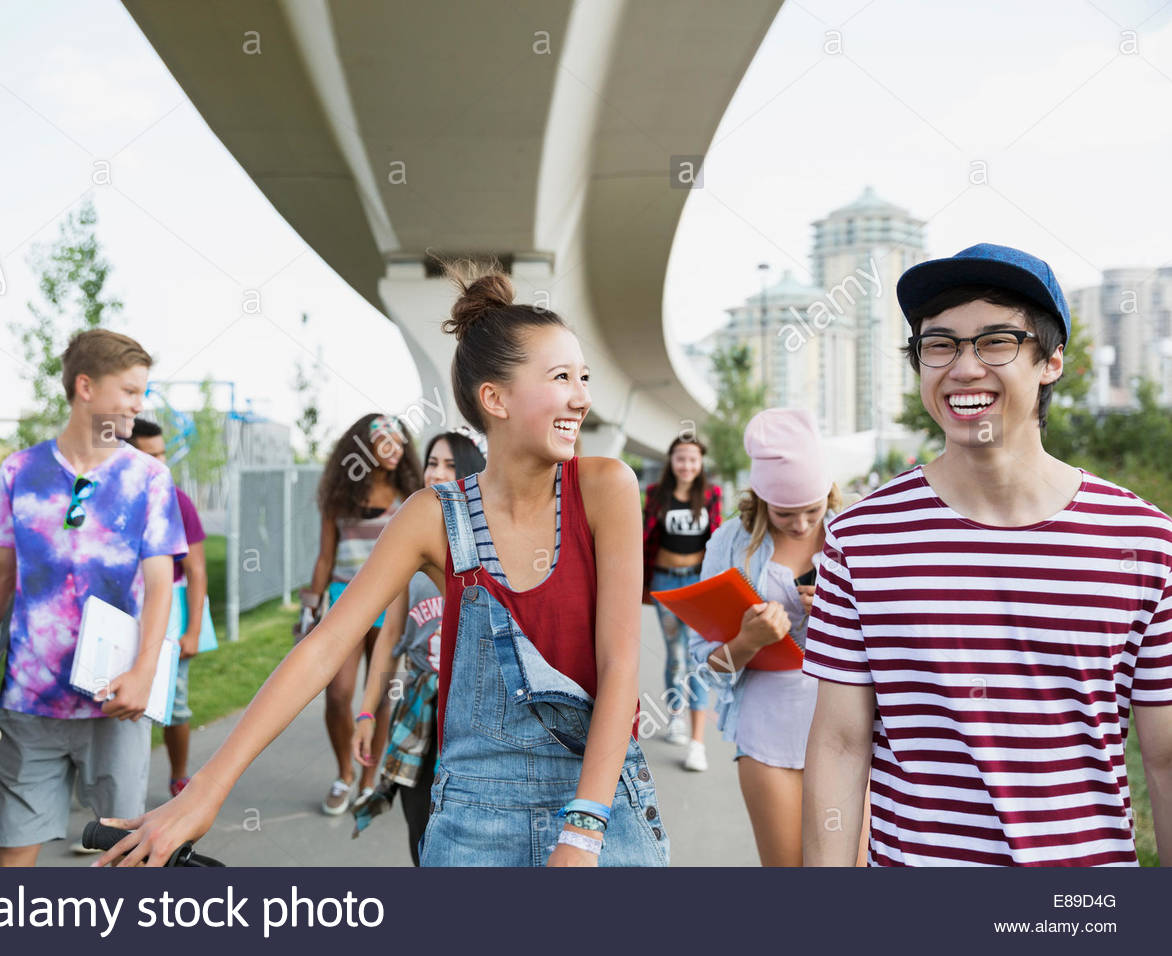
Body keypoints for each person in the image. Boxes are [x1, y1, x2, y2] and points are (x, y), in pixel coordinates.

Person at [95, 262, 668, 868]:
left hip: (602, 808)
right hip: (473, 821)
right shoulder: (431, 516)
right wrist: (206, 791)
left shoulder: (606, 488)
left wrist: (581, 832)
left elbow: (620, 662)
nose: (582, 397)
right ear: (494, 398)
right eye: (561, 377)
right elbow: (325, 645)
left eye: (583, 376)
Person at [802, 243, 1172, 866]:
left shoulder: (1142, 542)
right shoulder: (859, 539)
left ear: (1052, 361)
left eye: (996, 341)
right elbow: (839, 746)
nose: (964, 369)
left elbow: (1164, 757)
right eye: (939, 345)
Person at [0, 329, 187, 867]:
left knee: (125, 853)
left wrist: (145, 672)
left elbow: (159, 583)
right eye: (128, 390)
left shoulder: (148, 477)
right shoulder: (19, 472)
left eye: (141, 391)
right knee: (12, 855)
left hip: (117, 699)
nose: (138, 404)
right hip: (29, 699)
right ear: (85, 387)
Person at [687, 408, 862, 866]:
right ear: (762, 499)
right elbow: (706, 667)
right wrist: (748, 639)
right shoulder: (730, 544)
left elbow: (894, 643)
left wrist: (837, 612)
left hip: (850, 732)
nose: (802, 525)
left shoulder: (859, 534)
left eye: (813, 510)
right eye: (786, 513)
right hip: (769, 735)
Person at [351, 427, 487, 864]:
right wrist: (368, 712)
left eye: (450, 464)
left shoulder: (494, 544)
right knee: (421, 830)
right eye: (431, 463)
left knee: (471, 836)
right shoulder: (405, 543)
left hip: (475, 710)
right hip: (417, 712)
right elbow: (389, 640)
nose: (437, 473)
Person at [298, 413, 422, 815]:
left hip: (390, 605)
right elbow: (324, 557)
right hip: (344, 601)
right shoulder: (340, 497)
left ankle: (370, 779)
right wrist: (308, 610)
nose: (394, 449)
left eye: (399, 442)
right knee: (338, 694)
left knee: (382, 696)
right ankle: (343, 775)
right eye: (385, 441)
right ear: (364, 448)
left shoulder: (411, 495)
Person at [126, 418, 208, 797]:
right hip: (124, 612)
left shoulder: (178, 501)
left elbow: (196, 569)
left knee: (174, 702)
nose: (161, 463)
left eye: (163, 453)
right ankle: (121, 793)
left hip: (171, 612)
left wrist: (191, 631)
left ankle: (178, 776)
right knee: (123, 704)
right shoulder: (114, 500)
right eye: (151, 455)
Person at [642, 436, 723, 769]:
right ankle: (675, 715)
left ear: (701, 462)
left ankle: (697, 743)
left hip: (698, 584)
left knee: (695, 656)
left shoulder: (711, 496)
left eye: (692, 459)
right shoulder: (655, 495)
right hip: (665, 582)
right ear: (671, 461)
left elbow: (717, 538)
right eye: (680, 458)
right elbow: (645, 537)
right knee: (676, 654)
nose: (687, 465)